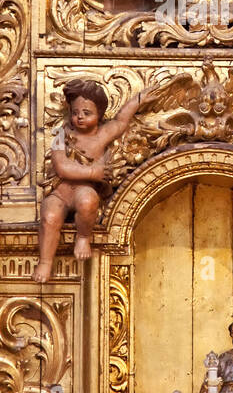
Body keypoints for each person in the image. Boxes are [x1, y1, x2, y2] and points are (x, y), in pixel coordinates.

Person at [34, 79, 150, 279]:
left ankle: (83, 236)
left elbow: (121, 121)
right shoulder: (62, 135)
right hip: (61, 193)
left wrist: (138, 100)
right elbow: (61, 167)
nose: (79, 117)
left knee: (88, 201)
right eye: (75, 112)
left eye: (87, 113)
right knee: (49, 216)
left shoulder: (102, 135)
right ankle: (45, 262)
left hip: (82, 191)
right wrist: (92, 172)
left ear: (100, 115)